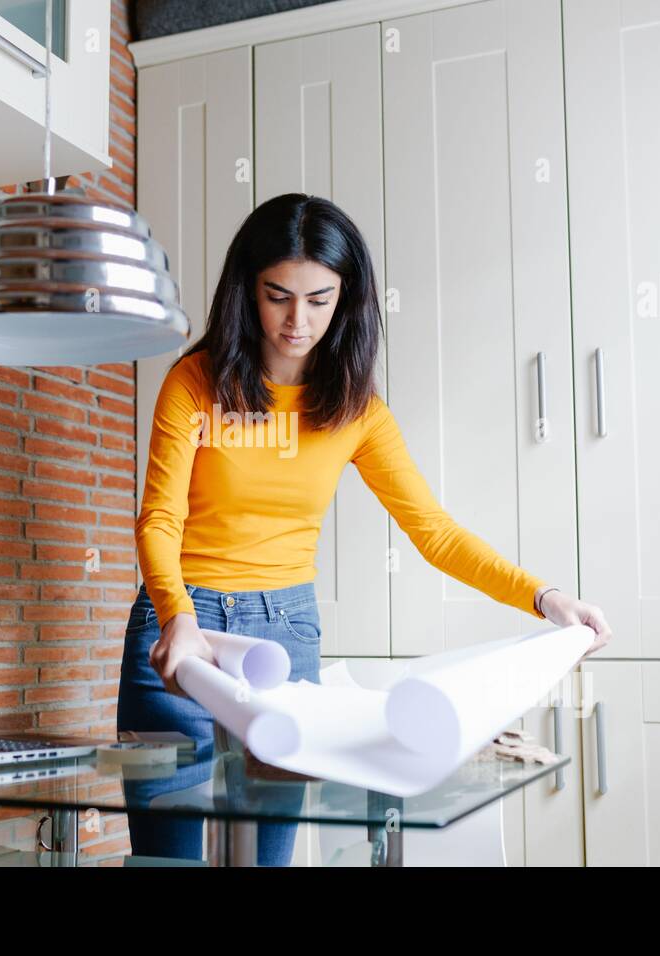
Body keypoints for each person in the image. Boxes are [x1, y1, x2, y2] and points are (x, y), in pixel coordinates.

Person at [116, 192, 613, 866]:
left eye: (320, 299)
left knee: (269, 858)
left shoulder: (357, 412)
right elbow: (160, 518)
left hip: (282, 637)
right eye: (278, 295)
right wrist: (175, 613)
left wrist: (545, 597)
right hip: (177, 628)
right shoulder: (195, 382)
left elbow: (432, 531)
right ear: (246, 290)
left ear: (346, 299)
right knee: (166, 859)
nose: (298, 320)